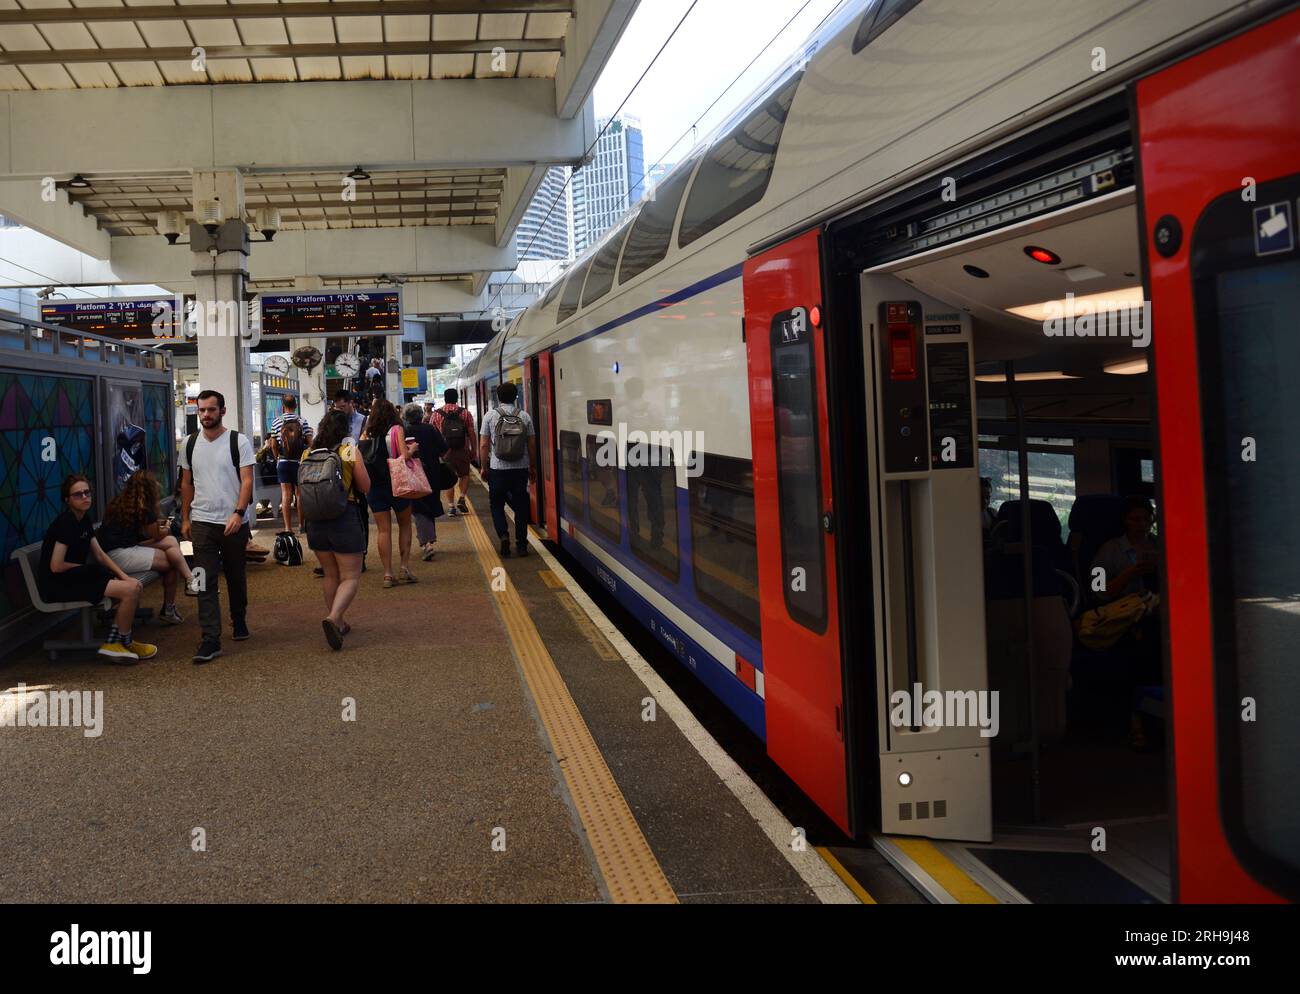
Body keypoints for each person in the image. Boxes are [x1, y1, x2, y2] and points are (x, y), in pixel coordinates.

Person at [39, 474, 156, 663]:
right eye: (78, 495)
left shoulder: (83, 519)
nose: (84, 497)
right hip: (59, 584)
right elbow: (56, 565)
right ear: (67, 500)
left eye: (87, 493)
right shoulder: (65, 523)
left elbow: (100, 554)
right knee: (131, 590)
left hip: (76, 577)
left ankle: (122, 641)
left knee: (133, 585)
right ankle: (117, 642)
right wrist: (90, 571)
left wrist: (123, 576)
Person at [180, 389, 256, 664]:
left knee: (236, 575)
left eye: (211, 410)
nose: (206, 415)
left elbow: (247, 481)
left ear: (222, 411)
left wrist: (239, 512)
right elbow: (186, 484)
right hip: (202, 522)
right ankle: (210, 639)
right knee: (203, 579)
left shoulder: (239, 441)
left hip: (233, 522)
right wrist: (186, 517)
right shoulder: (189, 444)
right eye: (201, 410)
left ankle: (239, 619)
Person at [304, 409, 371, 650]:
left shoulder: (308, 453)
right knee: (350, 576)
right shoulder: (349, 451)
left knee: (331, 575)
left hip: (315, 521)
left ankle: (340, 622)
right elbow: (364, 487)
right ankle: (333, 618)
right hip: (344, 517)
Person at [98, 469, 201, 626]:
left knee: (171, 543)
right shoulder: (144, 506)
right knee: (172, 558)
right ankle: (174, 602)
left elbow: (146, 535)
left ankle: (189, 582)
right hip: (119, 555)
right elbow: (158, 535)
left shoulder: (119, 501)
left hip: (123, 548)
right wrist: (166, 526)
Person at [362, 398, 417, 587]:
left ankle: (387, 574)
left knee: (383, 530)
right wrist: (413, 449)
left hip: (375, 486)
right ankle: (404, 568)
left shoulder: (366, 433)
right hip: (397, 483)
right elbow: (403, 456)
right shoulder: (396, 429)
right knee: (405, 525)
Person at [479, 382, 536, 558]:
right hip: (520, 469)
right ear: (515, 396)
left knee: (496, 504)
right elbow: (532, 444)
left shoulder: (490, 416)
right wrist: (532, 466)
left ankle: (503, 536)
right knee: (521, 507)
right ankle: (521, 545)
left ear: (498, 396)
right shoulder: (524, 416)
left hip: (498, 469)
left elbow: (483, 444)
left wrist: (483, 466)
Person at [1093, 496, 1159, 603]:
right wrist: (1129, 574)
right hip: (1124, 611)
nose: (1142, 524)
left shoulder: (1161, 545)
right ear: (1125, 520)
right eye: (1136, 519)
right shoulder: (1109, 550)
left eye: (1146, 519)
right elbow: (1097, 590)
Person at [402, 402, 447, 561]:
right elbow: (444, 448)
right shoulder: (430, 429)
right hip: (433, 473)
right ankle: (429, 540)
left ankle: (426, 544)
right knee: (430, 503)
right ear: (421, 416)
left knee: (419, 507)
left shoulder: (405, 431)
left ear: (406, 417)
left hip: (413, 473)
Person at [270, 394, 314, 534]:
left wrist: (278, 458)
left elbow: (273, 444)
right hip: (299, 462)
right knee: (299, 493)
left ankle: (288, 527)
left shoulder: (276, 422)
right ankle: (301, 525)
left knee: (286, 493)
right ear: (295, 406)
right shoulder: (302, 421)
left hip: (283, 462)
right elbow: (310, 443)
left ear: (283, 406)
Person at [431, 388, 476, 517]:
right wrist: (474, 449)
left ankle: (451, 507)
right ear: (457, 398)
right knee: (464, 475)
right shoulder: (465, 413)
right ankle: (462, 497)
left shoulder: (436, 414)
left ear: (445, 398)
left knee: (448, 477)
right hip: (462, 449)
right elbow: (471, 432)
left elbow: (433, 434)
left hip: (445, 452)